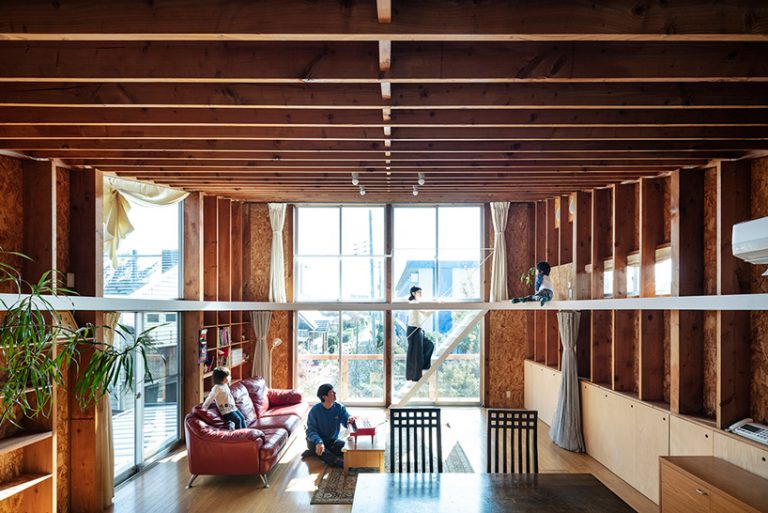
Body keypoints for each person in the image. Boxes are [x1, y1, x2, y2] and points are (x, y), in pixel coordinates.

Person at [304, 384, 357, 468]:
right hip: (315, 441)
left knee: (349, 449)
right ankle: (337, 462)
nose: (335, 393)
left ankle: (315, 453)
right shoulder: (314, 411)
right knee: (323, 451)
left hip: (332, 441)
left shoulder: (339, 407)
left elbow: (346, 419)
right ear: (325, 397)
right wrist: (319, 441)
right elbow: (311, 431)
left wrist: (350, 419)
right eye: (332, 392)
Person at [405, 286, 436, 382]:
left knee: (429, 345)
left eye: (421, 292)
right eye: (419, 292)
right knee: (415, 353)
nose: (421, 294)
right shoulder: (414, 303)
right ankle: (415, 376)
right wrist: (436, 307)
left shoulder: (417, 303)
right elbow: (426, 313)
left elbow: (425, 311)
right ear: (413, 293)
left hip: (418, 330)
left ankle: (423, 366)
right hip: (413, 329)